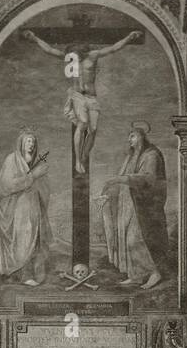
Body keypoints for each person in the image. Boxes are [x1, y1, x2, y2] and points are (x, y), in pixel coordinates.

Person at [23, 28, 142, 174]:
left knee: (93, 130)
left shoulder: (93, 56)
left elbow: (113, 48)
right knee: (83, 123)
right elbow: (49, 49)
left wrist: (129, 37)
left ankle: (84, 156)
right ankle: (77, 161)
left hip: (91, 97)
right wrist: (34, 38)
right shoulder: (68, 57)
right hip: (77, 96)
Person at [99, 121, 170, 289]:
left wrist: (117, 179)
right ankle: (136, 275)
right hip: (127, 203)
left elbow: (147, 178)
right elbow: (122, 179)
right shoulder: (130, 157)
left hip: (142, 204)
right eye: (129, 136)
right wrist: (107, 195)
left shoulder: (151, 155)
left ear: (141, 137)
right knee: (126, 239)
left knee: (134, 239)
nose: (129, 139)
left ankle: (154, 272)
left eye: (132, 136)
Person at [0, 128, 52, 286]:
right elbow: (7, 185)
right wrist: (33, 176)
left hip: (33, 210)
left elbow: (42, 187)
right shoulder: (12, 159)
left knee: (34, 240)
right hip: (18, 211)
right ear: (21, 142)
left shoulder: (33, 163)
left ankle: (33, 273)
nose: (31, 144)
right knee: (23, 240)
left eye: (33, 142)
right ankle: (24, 275)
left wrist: (39, 179)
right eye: (28, 141)